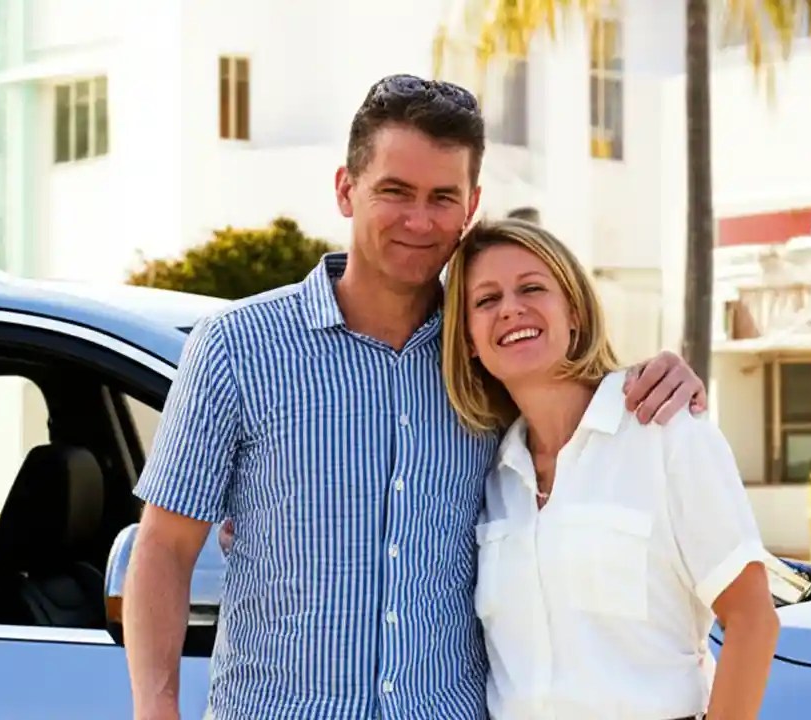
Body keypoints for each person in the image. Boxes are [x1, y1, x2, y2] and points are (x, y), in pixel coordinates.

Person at [123, 73, 708, 720]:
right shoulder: (237, 348)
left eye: (442, 197)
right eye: (395, 192)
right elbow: (165, 547)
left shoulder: (490, 353)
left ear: (471, 206)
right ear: (346, 189)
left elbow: (586, 420)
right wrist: (157, 709)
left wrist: (656, 379)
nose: (419, 220)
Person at [441, 217, 779, 720]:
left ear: (574, 313)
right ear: (468, 339)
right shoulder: (490, 477)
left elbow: (752, 618)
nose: (510, 308)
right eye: (486, 300)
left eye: (532, 288)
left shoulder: (665, 433)